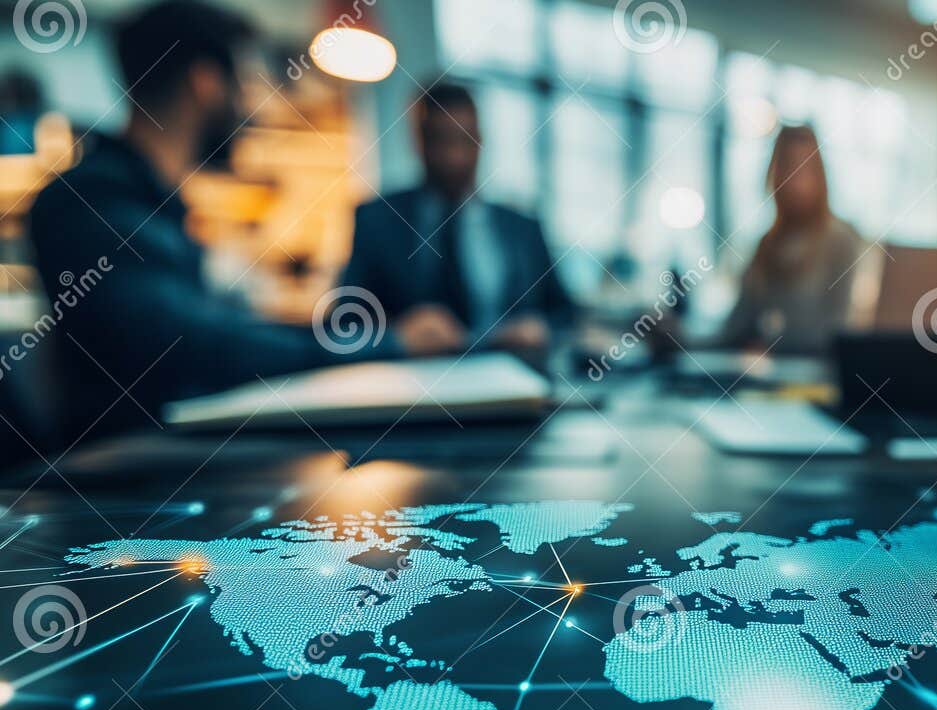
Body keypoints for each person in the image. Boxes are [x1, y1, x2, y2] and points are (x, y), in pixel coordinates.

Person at [26, 0, 451, 444]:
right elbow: (195, 344)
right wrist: (386, 346)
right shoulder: (91, 202)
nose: (253, 105)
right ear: (205, 82)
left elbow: (213, 332)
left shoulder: (149, 204)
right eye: (247, 82)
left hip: (168, 459)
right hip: (123, 482)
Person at [341, 81, 574, 351]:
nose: (455, 157)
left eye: (466, 140)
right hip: (410, 382)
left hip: (511, 380)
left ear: (480, 140)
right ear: (419, 142)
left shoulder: (523, 227)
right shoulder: (377, 220)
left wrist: (540, 328)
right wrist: (396, 337)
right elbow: (346, 321)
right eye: (441, 140)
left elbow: (565, 315)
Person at [722, 125, 864, 355]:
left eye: (805, 168)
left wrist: (768, 344)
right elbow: (733, 330)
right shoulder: (766, 245)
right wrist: (678, 340)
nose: (796, 181)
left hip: (816, 382)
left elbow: (837, 333)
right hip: (767, 381)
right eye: (788, 167)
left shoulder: (841, 240)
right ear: (774, 173)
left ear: (820, 175)